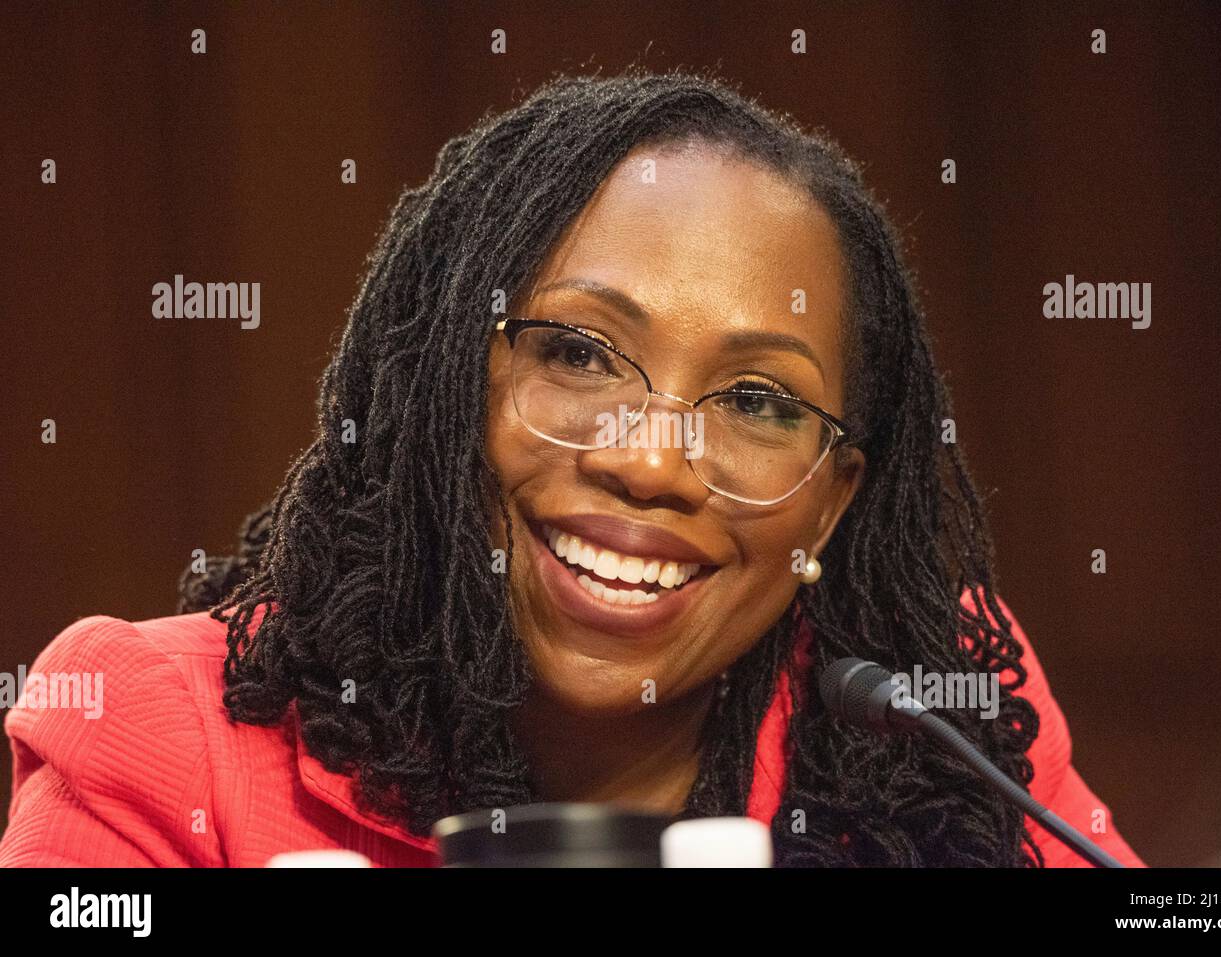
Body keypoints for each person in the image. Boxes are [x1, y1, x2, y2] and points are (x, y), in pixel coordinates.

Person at [0, 70, 1144, 867]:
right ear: (444, 383)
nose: (652, 463)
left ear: (831, 503)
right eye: (579, 353)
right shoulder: (159, 736)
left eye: (756, 401)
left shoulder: (933, 727)